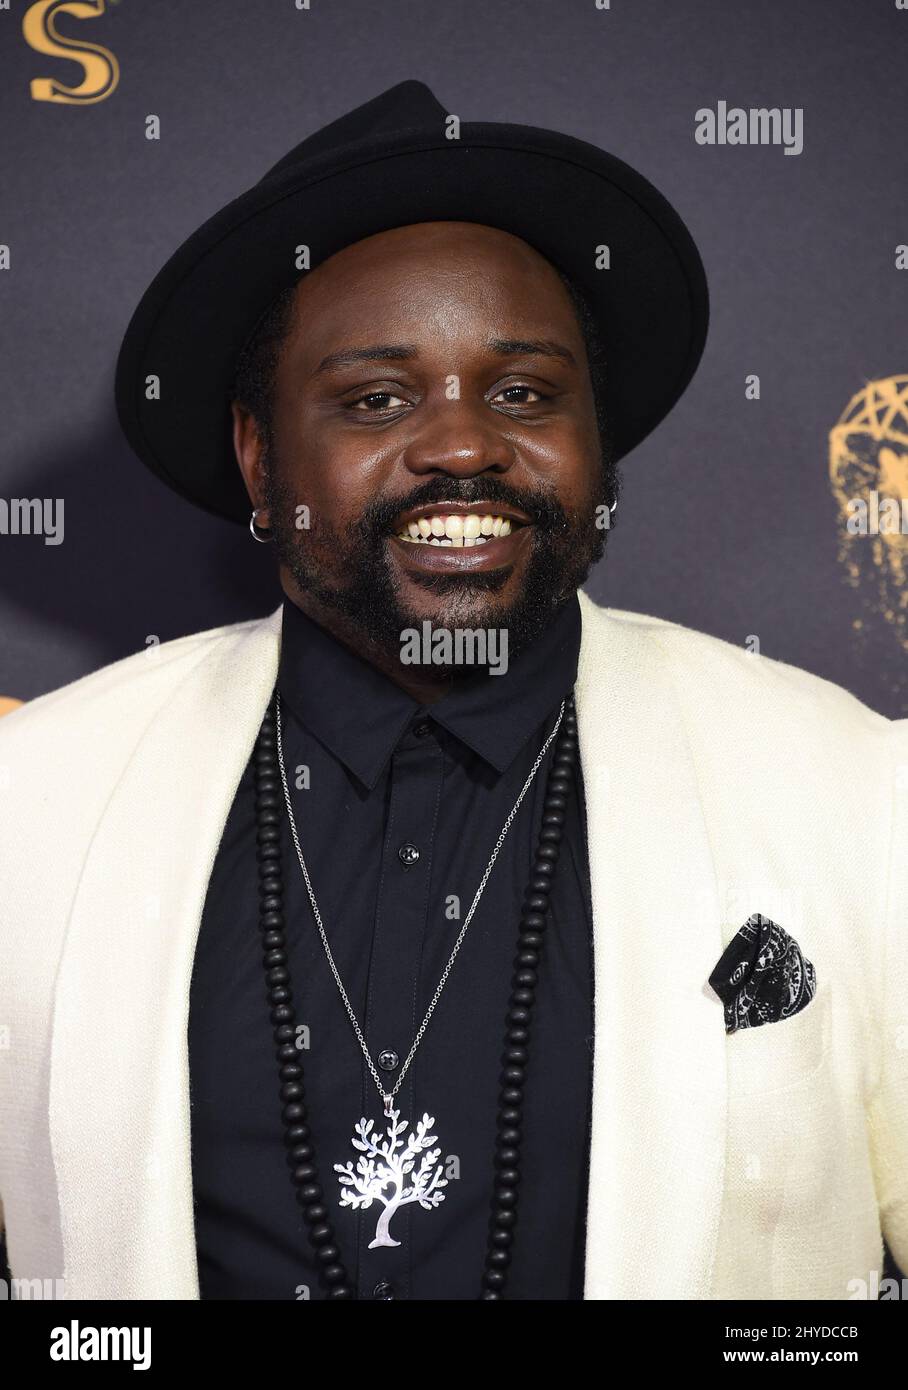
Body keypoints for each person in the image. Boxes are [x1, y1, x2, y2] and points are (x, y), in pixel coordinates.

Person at [0, 81, 905, 1302]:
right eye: (377, 398)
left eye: (524, 393)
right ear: (261, 456)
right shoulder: (36, 804)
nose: (465, 444)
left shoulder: (849, 786)